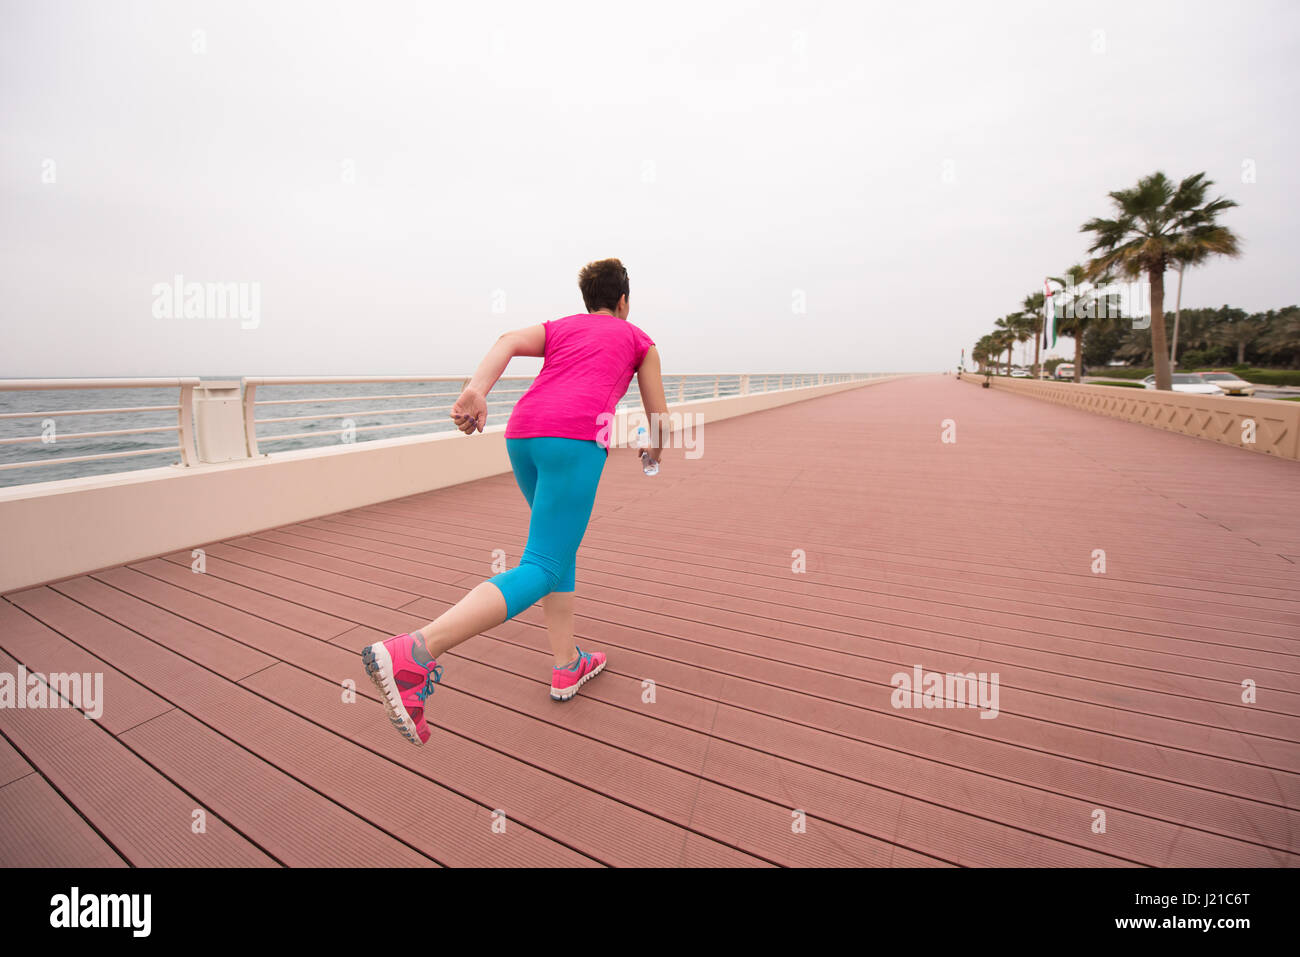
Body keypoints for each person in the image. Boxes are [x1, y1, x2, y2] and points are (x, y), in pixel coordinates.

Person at [361, 258, 670, 745]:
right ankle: (414, 653)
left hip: (523, 434)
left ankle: (567, 663)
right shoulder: (639, 340)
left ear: (588, 300)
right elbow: (659, 418)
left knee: (556, 550)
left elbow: (506, 340)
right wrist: (654, 450)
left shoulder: (561, 328)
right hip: (573, 440)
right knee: (543, 563)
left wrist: (476, 391)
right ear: (624, 301)